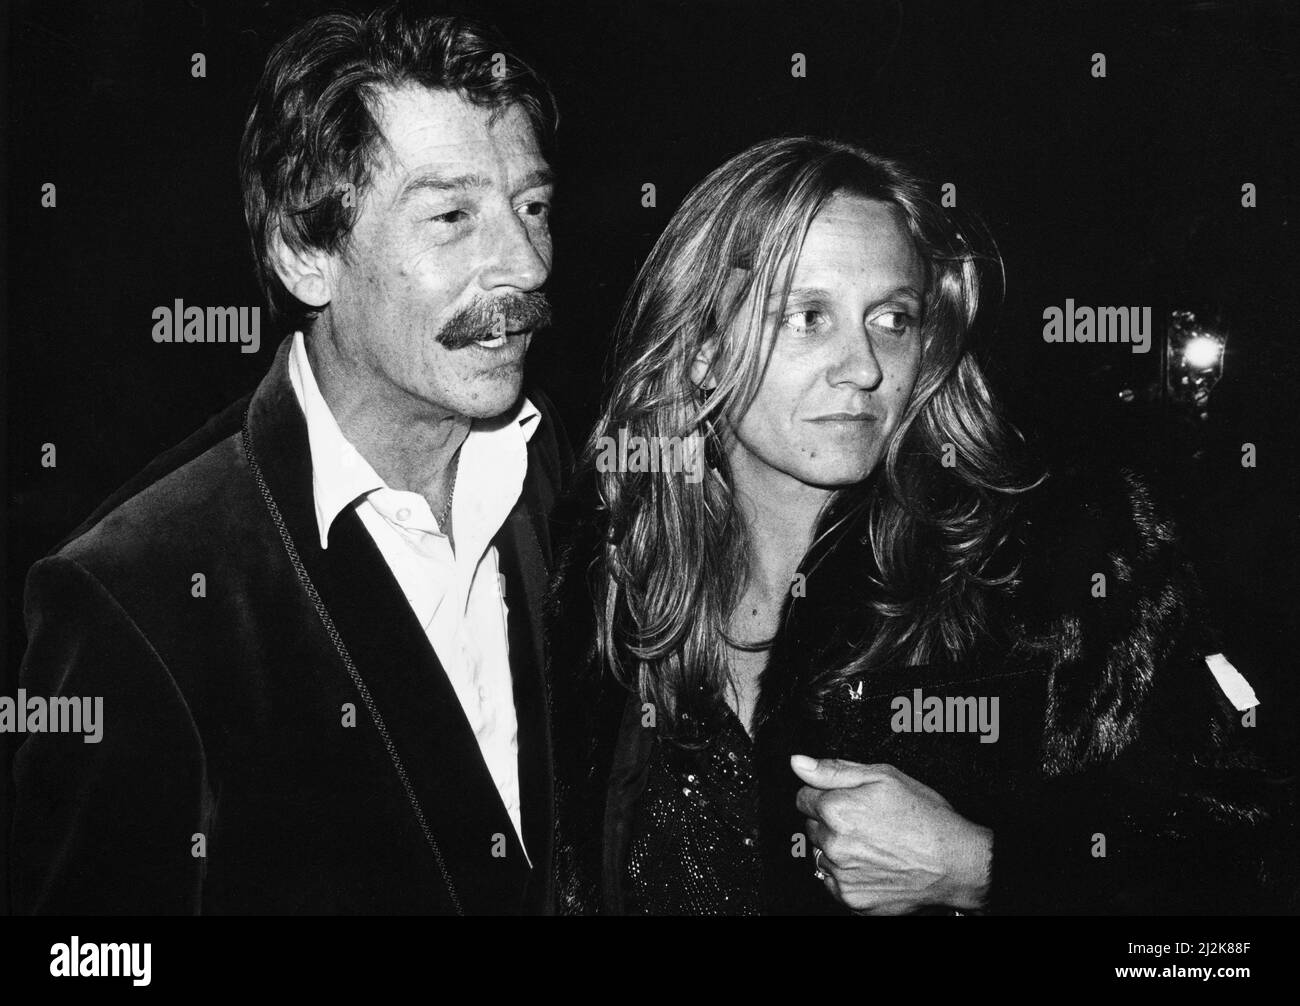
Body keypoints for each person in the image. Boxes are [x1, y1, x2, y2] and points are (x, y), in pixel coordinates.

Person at [548, 135, 1278, 915]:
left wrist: (985, 867)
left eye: (892, 318)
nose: (862, 366)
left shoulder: (1056, 570)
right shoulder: (615, 579)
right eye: (807, 317)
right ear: (699, 349)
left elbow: (1238, 870)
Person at [11, 6, 569, 914]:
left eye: (532, 206)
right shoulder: (140, 598)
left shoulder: (564, 481)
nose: (523, 265)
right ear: (305, 255)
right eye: (452, 215)